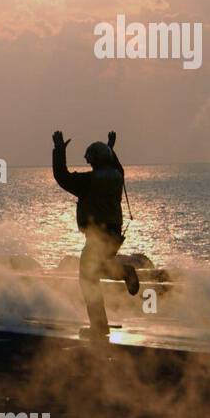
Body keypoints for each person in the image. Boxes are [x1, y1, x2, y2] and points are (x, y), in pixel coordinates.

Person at [52, 129, 140, 339]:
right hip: (114, 235)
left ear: (94, 160)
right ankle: (123, 273)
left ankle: (100, 325)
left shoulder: (89, 181)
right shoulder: (118, 176)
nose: (88, 163)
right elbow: (117, 166)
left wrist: (59, 150)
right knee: (97, 271)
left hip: (97, 237)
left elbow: (62, 177)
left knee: (87, 278)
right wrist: (110, 147)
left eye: (89, 160)